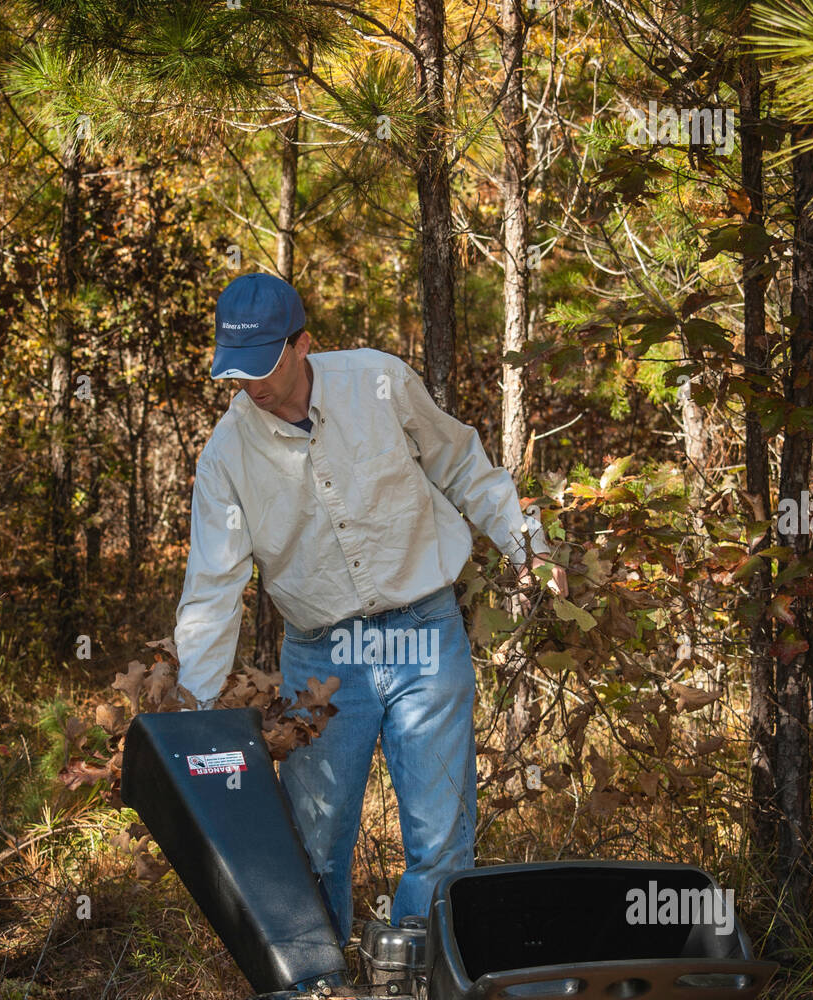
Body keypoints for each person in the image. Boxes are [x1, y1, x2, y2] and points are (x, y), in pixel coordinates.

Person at [175, 272, 567, 945]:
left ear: (303, 344)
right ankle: (322, 995)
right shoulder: (226, 456)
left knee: (440, 841)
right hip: (322, 661)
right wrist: (191, 712)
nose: (251, 385)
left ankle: (419, 997)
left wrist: (526, 545)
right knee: (314, 843)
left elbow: (461, 464)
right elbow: (213, 587)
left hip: (425, 635)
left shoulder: (380, 382)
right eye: (235, 371)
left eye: (264, 364)